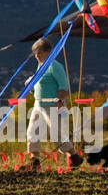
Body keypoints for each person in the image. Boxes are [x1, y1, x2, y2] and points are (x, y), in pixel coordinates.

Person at [25, 37, 81, 170]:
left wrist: (60, 102)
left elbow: (63, 86)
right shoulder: (40, 66)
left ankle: (74, 156)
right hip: (38, 105)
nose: (37, 55)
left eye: (40, 52)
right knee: (32, 132)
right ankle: (35, 160)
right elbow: (41, 84)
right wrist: (30, 85)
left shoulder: (55, 66)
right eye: (35, 53)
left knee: (57, 135)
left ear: (48, 52)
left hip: (52, 105)